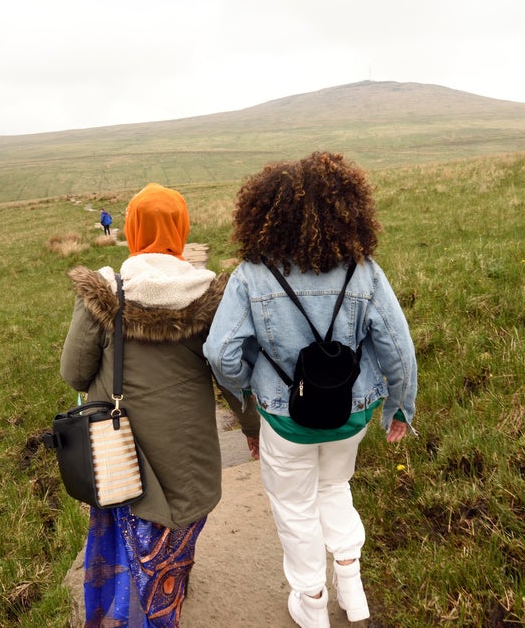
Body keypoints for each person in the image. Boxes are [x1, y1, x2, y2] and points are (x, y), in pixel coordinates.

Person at [205, 151, 418, 628]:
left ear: (263, 215)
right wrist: (399, 409)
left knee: (295, 505)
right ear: (349, 209)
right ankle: (352, 590)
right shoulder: (364, 271)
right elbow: (398, 350)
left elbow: (220, 354)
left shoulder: (252, 275)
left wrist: (248, 391)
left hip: (285, 417)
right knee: (334, 485)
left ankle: (312, 602)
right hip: (352, 414)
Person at [61, 183, 258, 627]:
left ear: (130, 230)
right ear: (180, 229)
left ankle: (131, 610)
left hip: (119, 452)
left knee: (130, 523)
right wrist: (252, 428)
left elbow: (74, 373)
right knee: (176, 528)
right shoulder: (209, 295)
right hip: (187, 452)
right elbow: (231, 375)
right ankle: (169, 591)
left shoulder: (104, 293)